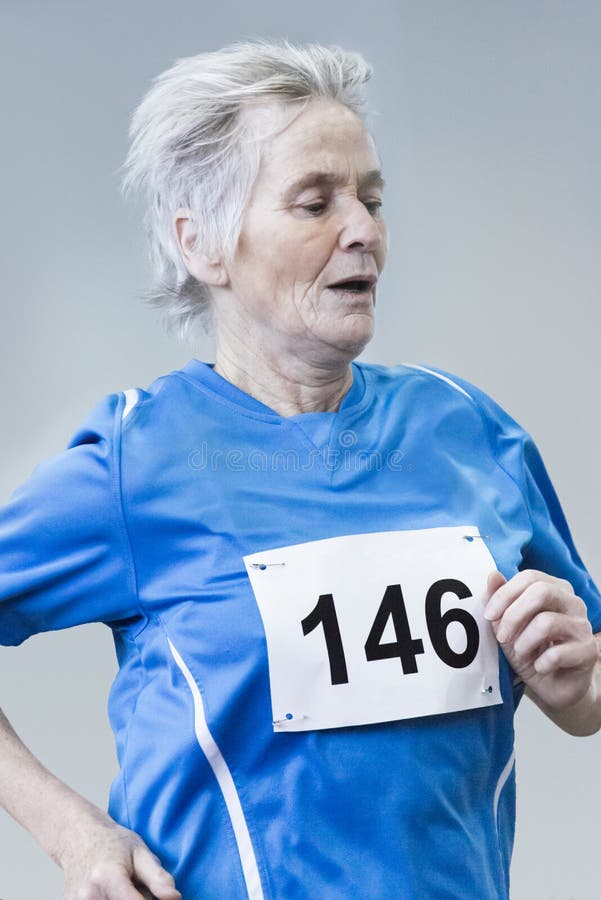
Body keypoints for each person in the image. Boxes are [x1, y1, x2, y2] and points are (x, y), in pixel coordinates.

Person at [1, 38, 600, 900]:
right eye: (314, 203)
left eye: (371, 198)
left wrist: (574, 681)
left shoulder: (465, 429)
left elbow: (584, 693)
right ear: (203, 245)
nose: (361, 229)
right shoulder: (141, 462)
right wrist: (75, 835)